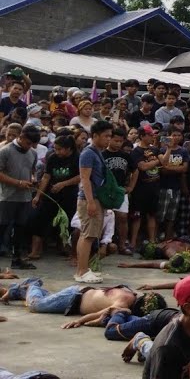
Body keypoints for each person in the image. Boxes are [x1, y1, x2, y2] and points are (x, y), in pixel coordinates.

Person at [75, 119, 113, 283]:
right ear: (95, 135)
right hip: (89, 198)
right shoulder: (88, 153)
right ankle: (82, 271)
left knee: (89, 235)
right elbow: (85, 178)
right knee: (88, 235)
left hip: (97, 198)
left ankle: (83, 269)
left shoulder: (97, 152)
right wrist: (90, 202)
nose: (108, 139)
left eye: (110, 136)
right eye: (106, 136)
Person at [0, 124, 39, 270]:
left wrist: (33, 179)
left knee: (21, 228)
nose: (29, 147)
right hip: (7, 197)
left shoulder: (32, 153)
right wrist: (17, 182)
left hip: (24, 197)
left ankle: (17, 259)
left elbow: (32, 170)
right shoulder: (5, 151)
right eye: (28, 143)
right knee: (2, 227)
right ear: (21, 137)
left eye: (33, 144)